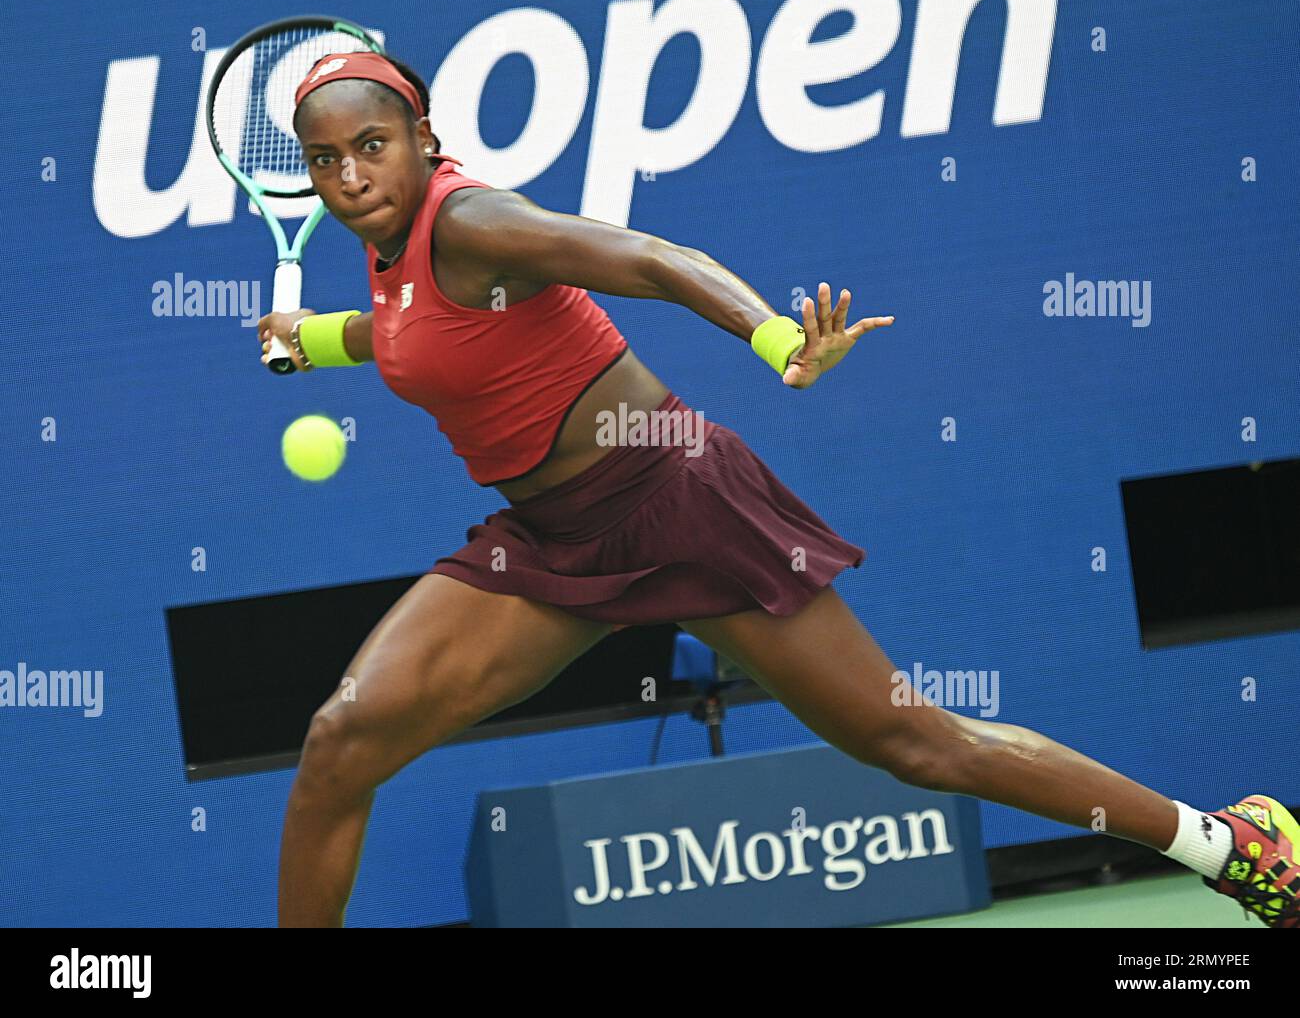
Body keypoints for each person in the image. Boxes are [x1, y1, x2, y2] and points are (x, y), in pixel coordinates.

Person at [259, 50, 1297, 928]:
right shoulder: (388, 251)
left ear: (423, 136)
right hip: (549, 539)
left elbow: (652, 258)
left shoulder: (474, 219)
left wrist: (773, 338)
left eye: (371, 145)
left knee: (919, 746)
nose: (350, 175)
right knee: (340, 741)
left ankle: (1224, 841)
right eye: (325, 160)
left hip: (676, 500)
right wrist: (315, 340)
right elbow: (416, 332)